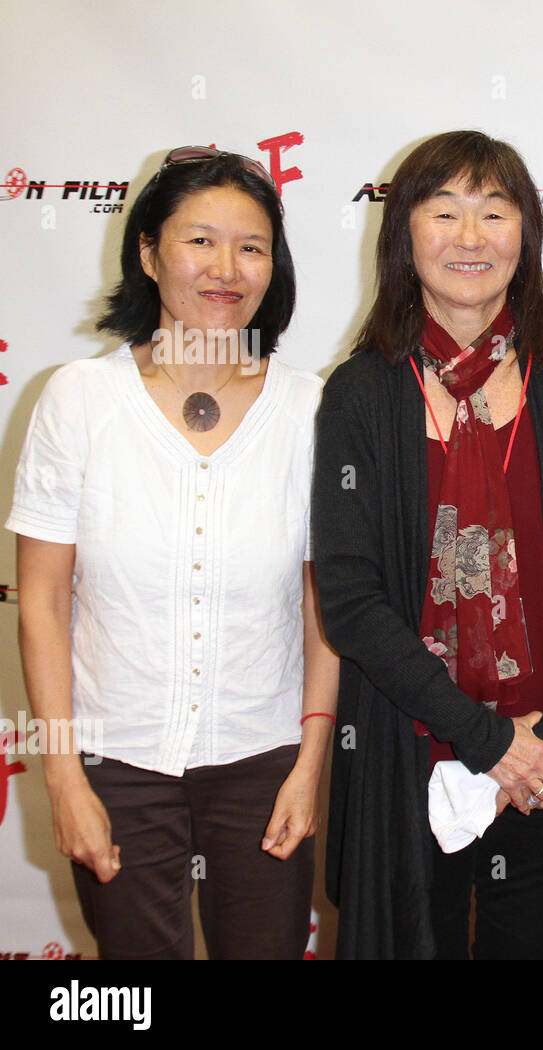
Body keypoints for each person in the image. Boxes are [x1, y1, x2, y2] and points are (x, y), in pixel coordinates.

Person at [7, 147, 335, 960]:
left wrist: (309, 766)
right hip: (116, 762)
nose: (227, 268)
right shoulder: (79, 399)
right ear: (149, 253)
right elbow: (42, 601)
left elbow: (323, 602)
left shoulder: (312, 409)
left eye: (252, 247)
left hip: (263, 761)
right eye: (200, 241)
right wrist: (63, 779)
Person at [312, 130, 543, 960]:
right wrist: (487, 742)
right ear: (403, 234)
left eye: (495, 211)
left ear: (525, 235)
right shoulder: (361, 393)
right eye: (443, 211)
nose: (470, 236)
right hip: (413, 745)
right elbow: (348, 596)